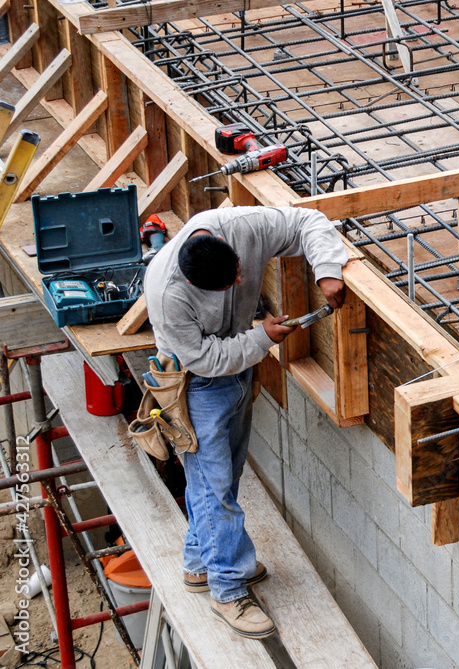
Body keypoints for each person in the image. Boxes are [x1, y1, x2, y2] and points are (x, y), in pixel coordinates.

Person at [144, 206, 348, 639]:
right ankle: (228, 591)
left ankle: (202, 564)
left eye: (238, 272)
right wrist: (260, 338)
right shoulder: (167, 295)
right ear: (194, 283)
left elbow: (308, 220)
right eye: (226, 285)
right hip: (195, 385)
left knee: (222, 479)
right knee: (214, 488)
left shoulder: (241, 227)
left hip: (240, 370)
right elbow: (206, 359)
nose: (240, 282)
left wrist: (327, 270)